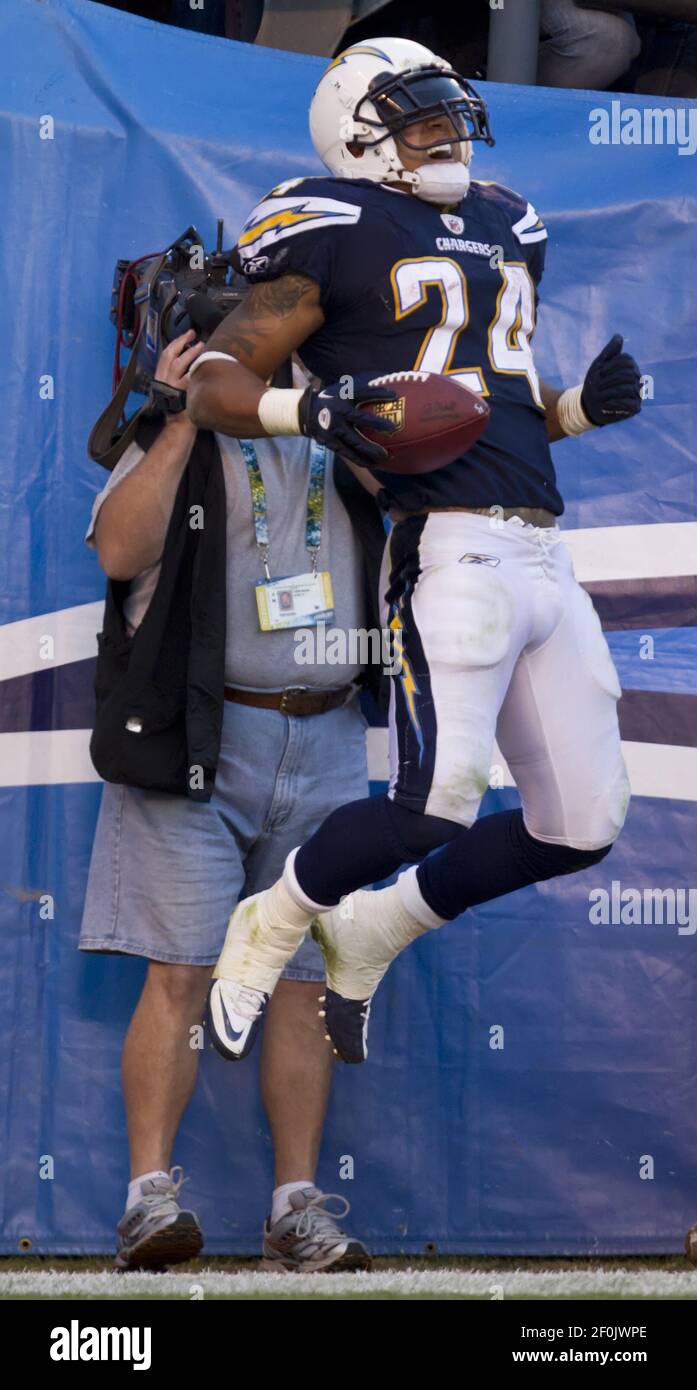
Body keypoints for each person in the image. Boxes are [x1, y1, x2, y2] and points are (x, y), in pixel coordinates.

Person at [186, 36, 642, 1067]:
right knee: (433, 802)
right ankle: (273, 918)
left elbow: (485, 409)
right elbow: (214, 382)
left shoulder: (504, 222)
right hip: (449, 548)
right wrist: (312, 405)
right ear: (359, 131)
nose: (443, 131)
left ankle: (378, 925)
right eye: (415, 114)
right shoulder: (331, 222)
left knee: (583, 821)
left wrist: (571, 408)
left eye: (447, 111)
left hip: (541, 549)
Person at [80, 326, 383, 1270]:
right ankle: (148, 1203)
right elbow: (119, 552)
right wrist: (176, 418)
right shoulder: (185, 415)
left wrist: (358, 418)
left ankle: (295, 1210)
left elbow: (419, 511)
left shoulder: (349, 410)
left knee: (300, 983)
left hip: (331, 732)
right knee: (179, 972)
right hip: (199, 736)